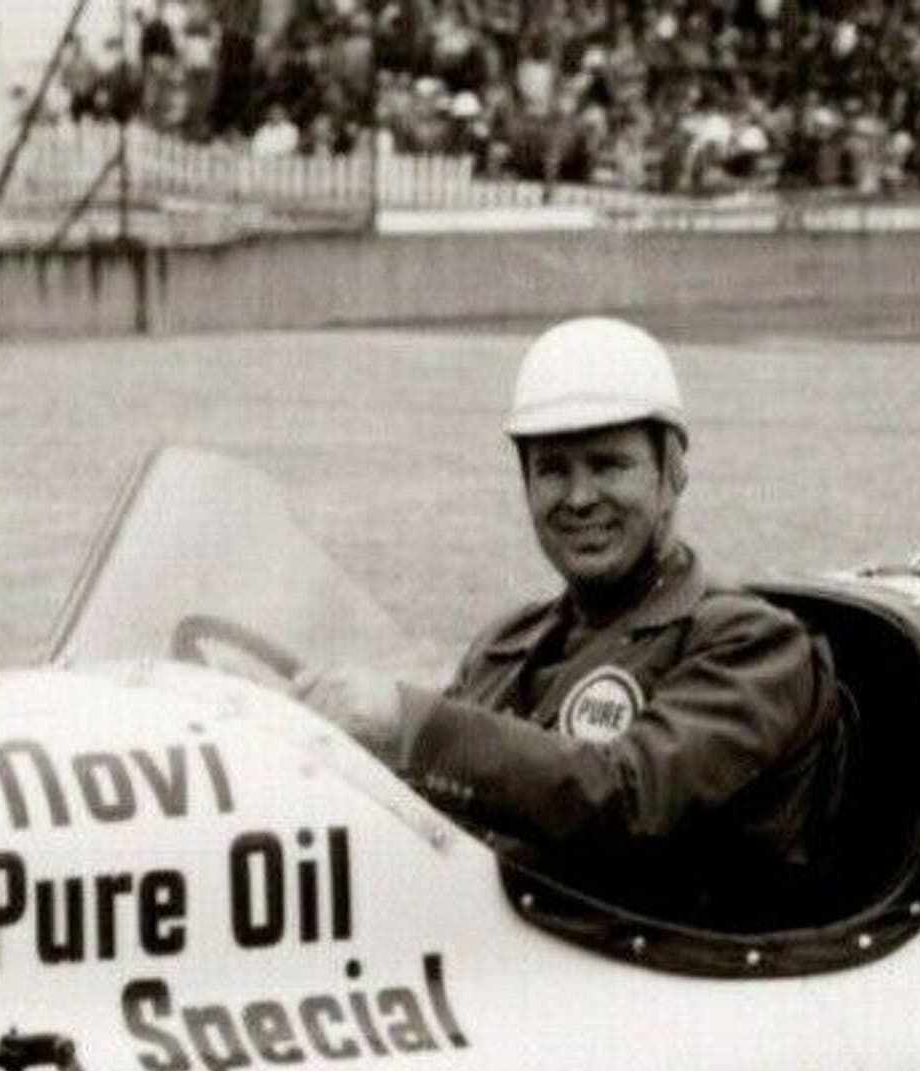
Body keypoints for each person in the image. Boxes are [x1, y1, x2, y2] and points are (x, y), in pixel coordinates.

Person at [298, 316, 847, 929]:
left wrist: (409, 721)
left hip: (664, 988)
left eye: (608, 465)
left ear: (671, 474)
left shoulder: (753, 646)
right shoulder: (507, 644)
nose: (579, 497)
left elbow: (626, 797)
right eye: (553, 469)